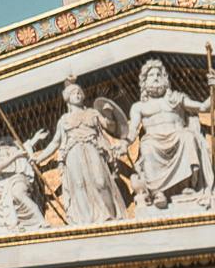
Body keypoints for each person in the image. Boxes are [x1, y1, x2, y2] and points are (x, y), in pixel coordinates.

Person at [28, 82, 125, 226]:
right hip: (72, 152)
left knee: (101, 181)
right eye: (74, 93)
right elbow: (55, 142)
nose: (77, 94)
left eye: (79, 92)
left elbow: (110, 127)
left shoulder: (92, 113)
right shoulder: (64, 120)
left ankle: (112, 217)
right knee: (79, 185)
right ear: (68, 98)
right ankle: (85, 221)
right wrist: (39, 157)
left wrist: (109, 113)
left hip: (92, 147)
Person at [125, 57, 214, 212]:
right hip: (153, 141)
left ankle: (187, 186)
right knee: (147, 146)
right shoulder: (139, 107)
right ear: (144, 82)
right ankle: (157, 192)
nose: (156, 78)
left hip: (178, 135)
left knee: (187, 136)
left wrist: (213, 88)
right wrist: (124, 143)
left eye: (159, 74)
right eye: (151, 75)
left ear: (165, 79)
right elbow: (132, 130)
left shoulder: (176, 98)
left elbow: (203, 108)